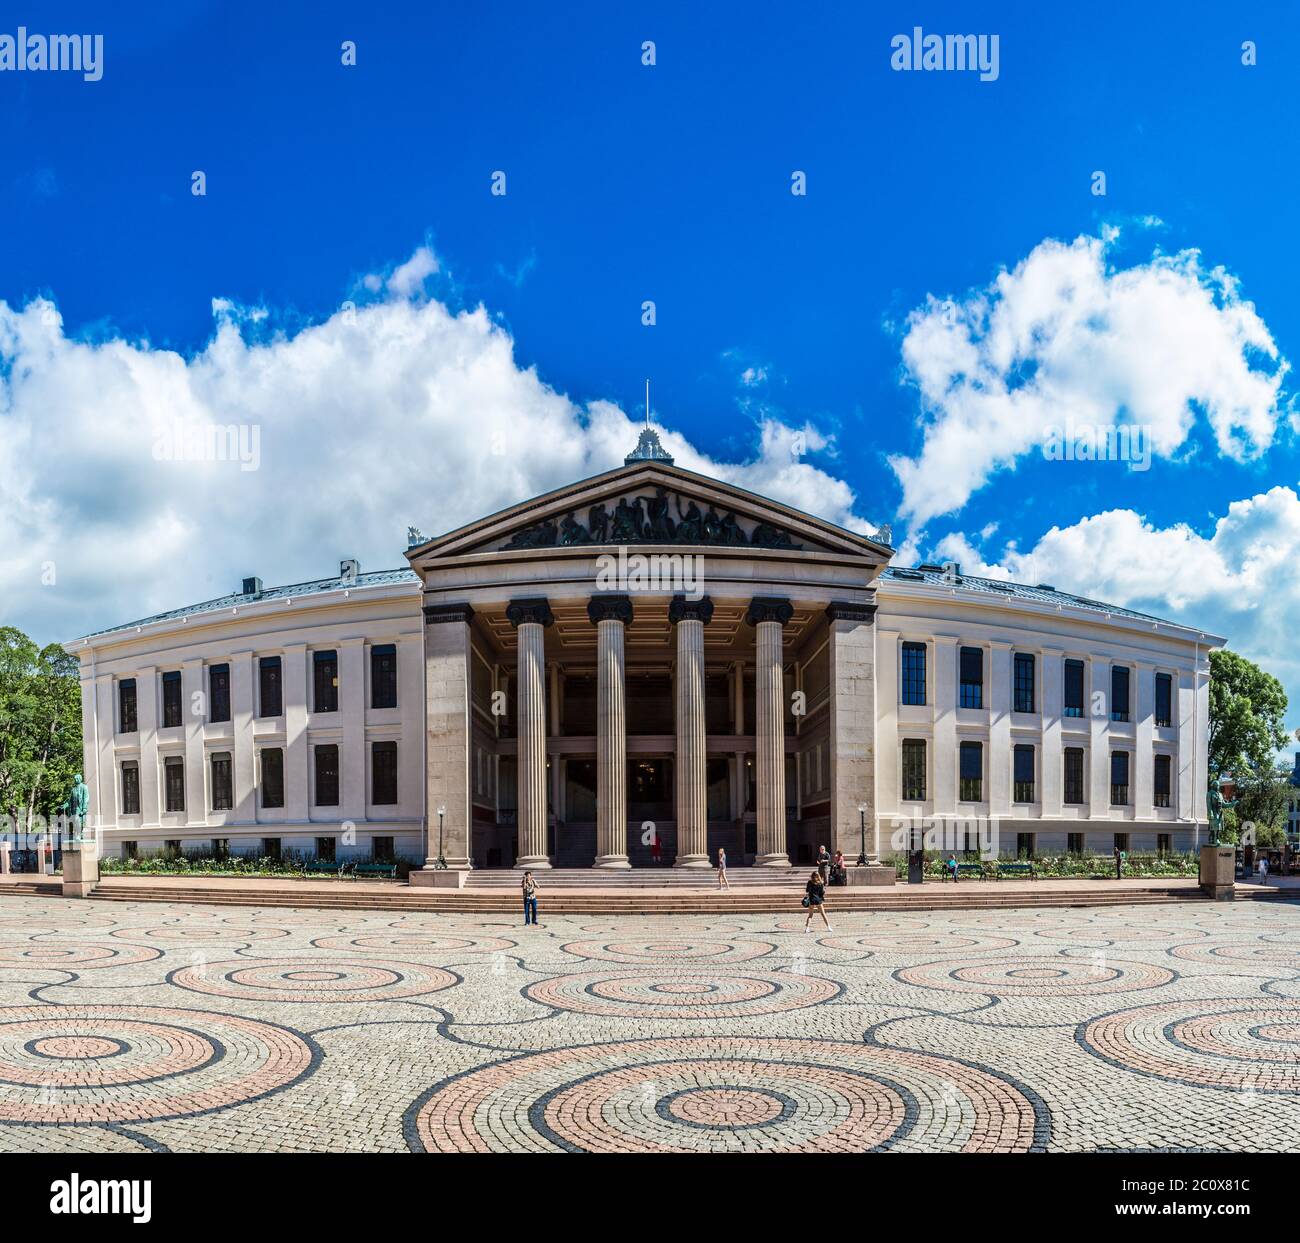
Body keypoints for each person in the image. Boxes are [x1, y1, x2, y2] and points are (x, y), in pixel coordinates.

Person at [803, 868, 832, 933]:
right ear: (818, 876)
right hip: (818, 900)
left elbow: (807, 891)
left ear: (812, 876)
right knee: (823, 914)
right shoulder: (821, 883)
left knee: (810, 915)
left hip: (811, 899)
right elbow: (822, 892)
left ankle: (807, 928)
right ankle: (829, 927)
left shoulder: (810, 882)